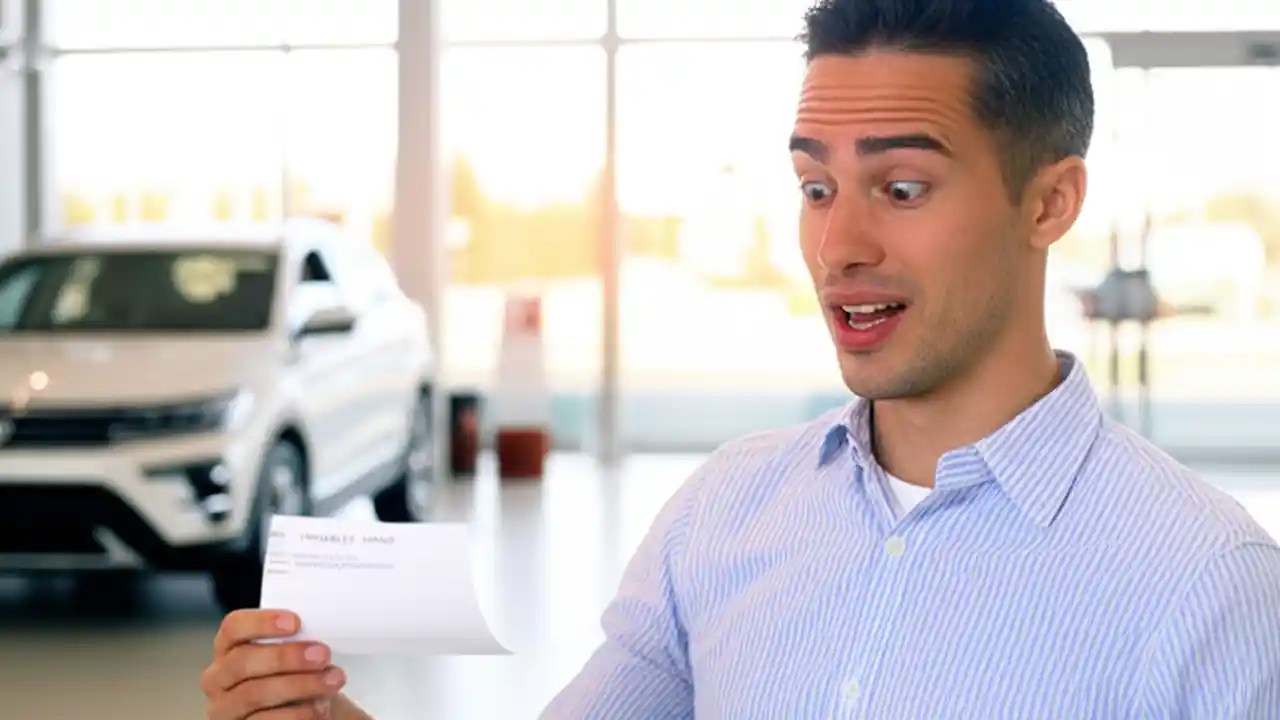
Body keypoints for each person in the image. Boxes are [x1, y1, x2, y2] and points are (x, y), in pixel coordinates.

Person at [201, 0, 1280, 717]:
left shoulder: (1198, 585)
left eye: (899, 189)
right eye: (816, 188)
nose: (837, 245)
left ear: (1048, 201)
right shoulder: (723, 512)